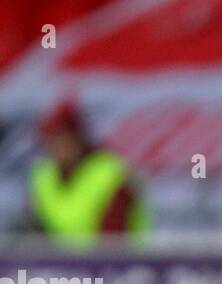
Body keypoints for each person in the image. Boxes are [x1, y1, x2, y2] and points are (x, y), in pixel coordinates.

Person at [27, 100, 150, 247]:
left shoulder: (111, 174)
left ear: (78, 137)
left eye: (63, 139)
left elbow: (113, 244)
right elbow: (37, 231)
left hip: (117, 267)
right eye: (51, 140)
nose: (58, 148)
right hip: (63, 267)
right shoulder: (44, 176)